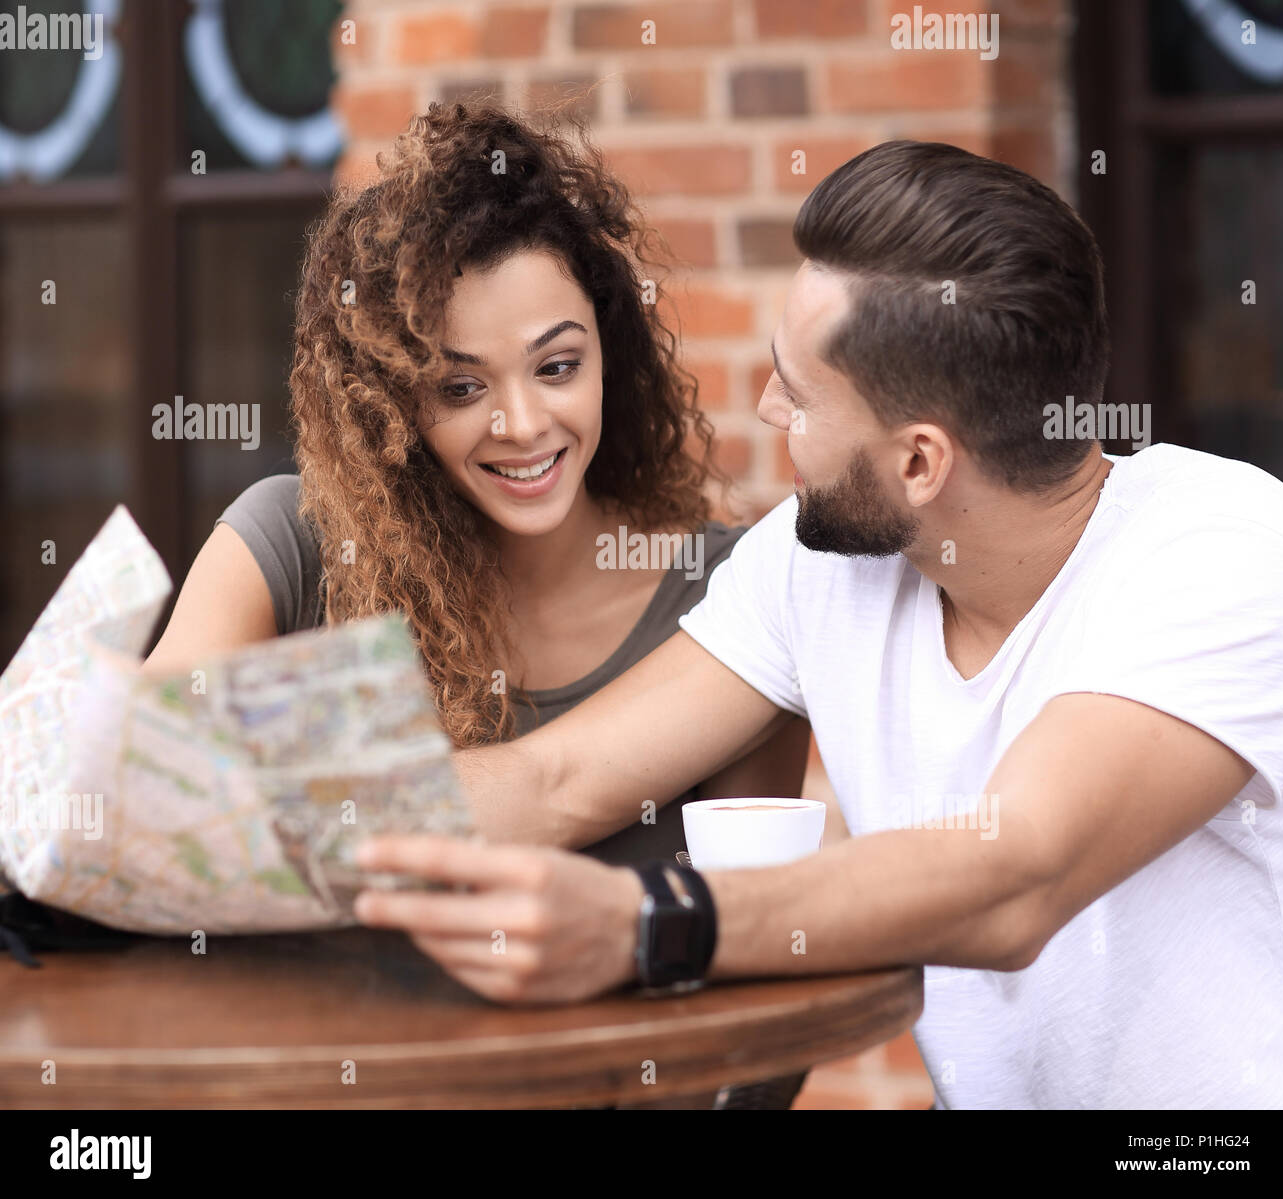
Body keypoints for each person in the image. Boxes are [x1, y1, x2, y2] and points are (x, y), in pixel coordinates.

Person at [353, 140, 1283, 1110]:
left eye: (796, 396)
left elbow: (1014, 870)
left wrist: (648, 919)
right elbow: (558, 780)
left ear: (919, 463)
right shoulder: (817, 564)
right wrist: (257, 827)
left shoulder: (1219, 545)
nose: (765, 409)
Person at [143, 101, 827, 1108]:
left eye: (557, 366)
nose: (521, 424)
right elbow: (134, 794)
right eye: (459, 388)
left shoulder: (732, 598)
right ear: (392, 399)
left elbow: (752, 1007)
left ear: (612, 352)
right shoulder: (289, 543)